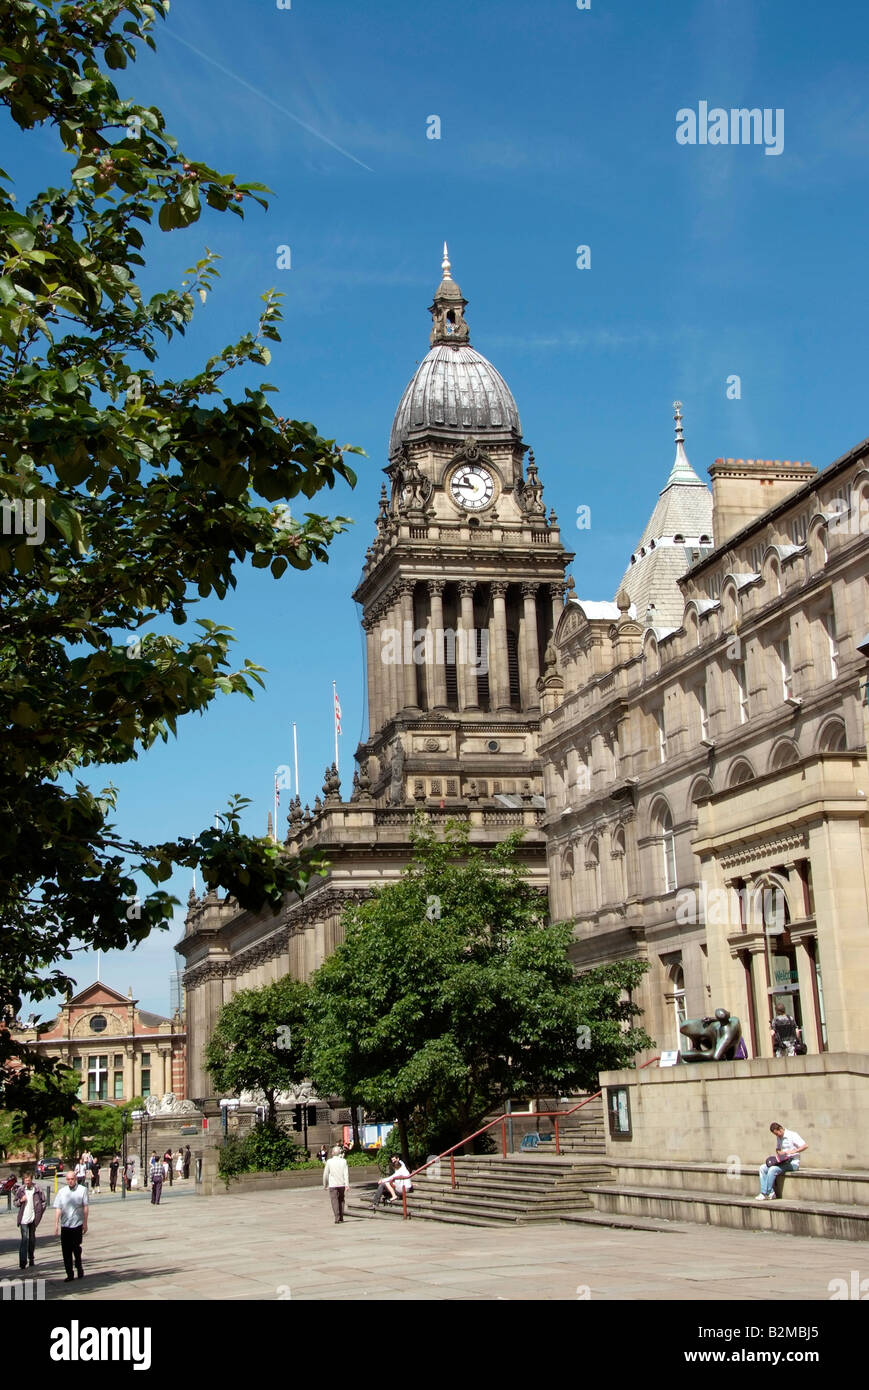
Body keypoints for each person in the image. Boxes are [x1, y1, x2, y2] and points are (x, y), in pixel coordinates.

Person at [756, 1120, 808, 1200]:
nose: (777, 1136)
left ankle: (765, 1193)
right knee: (762, 1168)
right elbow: (778, 1149)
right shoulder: (779, 1137)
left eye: (777, 1133)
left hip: (793, 1163)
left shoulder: (792, 1135)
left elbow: (805, 1146)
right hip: (783, 1161)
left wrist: (793, 1151)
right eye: (775, 1134)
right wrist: (780, 1152)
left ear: (780, 1129)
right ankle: (771, 1193)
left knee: (772, 1169)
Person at [53, 1169, 88, 1281]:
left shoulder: (83, 1190)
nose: (70, 1181)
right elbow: (58, 1208)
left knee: (76, 1248)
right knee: (66, 1250)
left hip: (77, 1224)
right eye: (68, 1179)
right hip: (65, 1225)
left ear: (75, 1179)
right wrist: (56, 1224)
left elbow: (85, 1207)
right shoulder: (62, 1192)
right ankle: (69, 1273)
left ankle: (79, 1266)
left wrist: (85, 1223)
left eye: (72, 1179)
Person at [15, 1171, 46, 1269]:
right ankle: (22, 1262)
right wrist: (20, 1200)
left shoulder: (37, 1189)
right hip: (24, 1218)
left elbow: (44, 1202)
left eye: (28, 1180)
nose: (27, 1182)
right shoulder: (20, 1190)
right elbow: (15, 1202)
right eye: (25, 1181)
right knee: (24, 1239)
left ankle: (31, 1257)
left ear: (31, 1180)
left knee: (32, 1239)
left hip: (33, 1218)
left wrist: (39, 1213)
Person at [322, 1144, 350, 1223]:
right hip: (341, 1184)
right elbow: (346, 1174)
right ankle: (341, 1217)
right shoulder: (344, 1161)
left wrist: (325, 1184)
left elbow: (325, 1174)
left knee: (334, 1201)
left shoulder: (329, 1162)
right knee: (341, 1200)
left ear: (333, 1153)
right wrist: (347, 1184)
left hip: (333, 1185)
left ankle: (336, 1217)